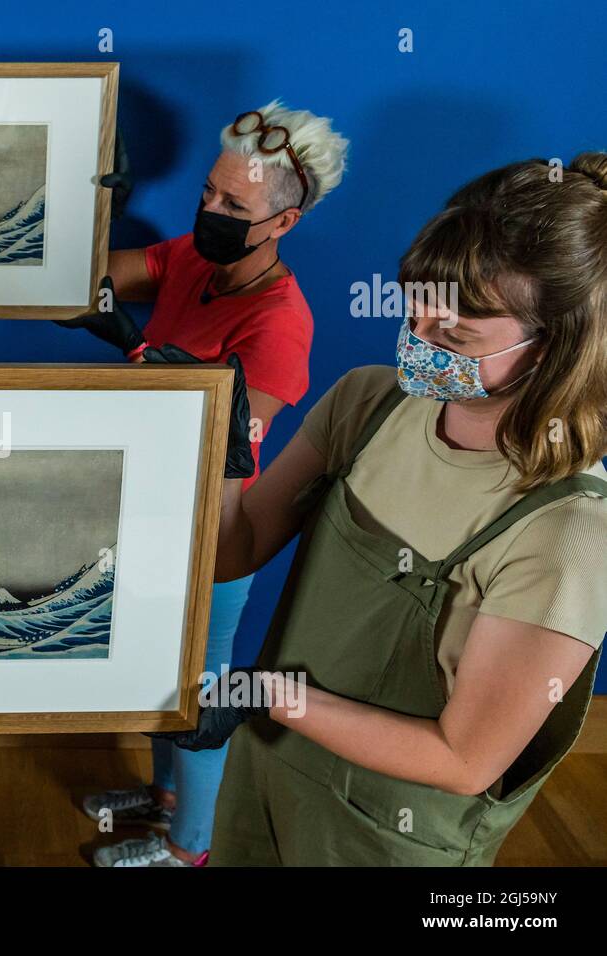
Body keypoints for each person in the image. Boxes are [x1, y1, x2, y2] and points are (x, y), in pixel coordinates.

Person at [163, 153, 607, 865]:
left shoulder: (569, 531)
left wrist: (273, 696)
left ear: (557, 348)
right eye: (415, 315)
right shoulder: (369, 403)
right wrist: (220, 456)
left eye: (455, 338)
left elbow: (465, 760)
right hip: (264, 781)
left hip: (385, 839)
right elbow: (233, 552)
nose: (418, 348)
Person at [65, 101, 350, 866]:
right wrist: (82, 254)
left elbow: (222, 441)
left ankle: (189, 849)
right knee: (160, 677)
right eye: (208, 194)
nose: (210, 212)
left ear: (283, 224)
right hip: (143, 509)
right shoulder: (196, 255)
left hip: (211, 531)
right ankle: (165, 804)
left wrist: (146, 358)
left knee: (201, 696)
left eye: (234, 206)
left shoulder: (282, 325)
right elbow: (113, 276)